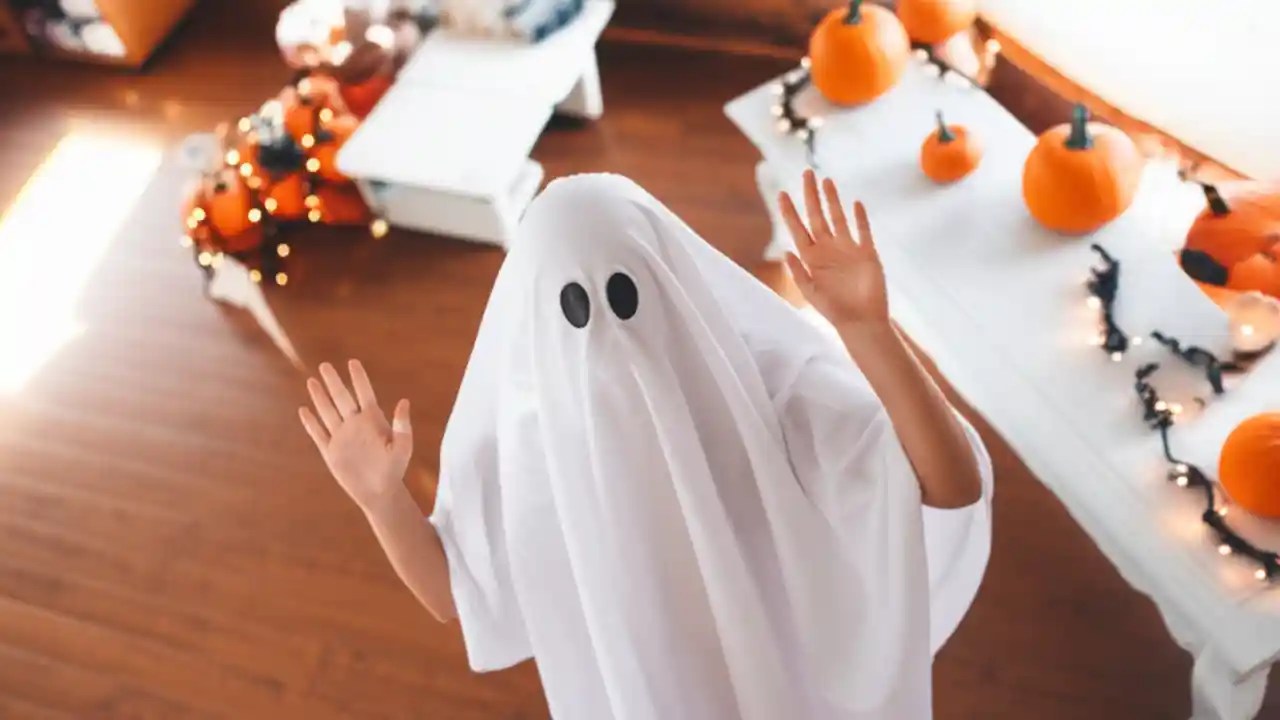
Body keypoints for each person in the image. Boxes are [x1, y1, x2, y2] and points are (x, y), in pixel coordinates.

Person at [299, 170, 993, 719]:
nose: (605, 334)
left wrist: (869, 331)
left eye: (626, 295)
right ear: (537, 325)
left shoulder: (772, 389)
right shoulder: (536, 460)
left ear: (673, 281)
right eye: (573, 310)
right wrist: (381, 500)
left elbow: (952, 486)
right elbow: (459, 593)